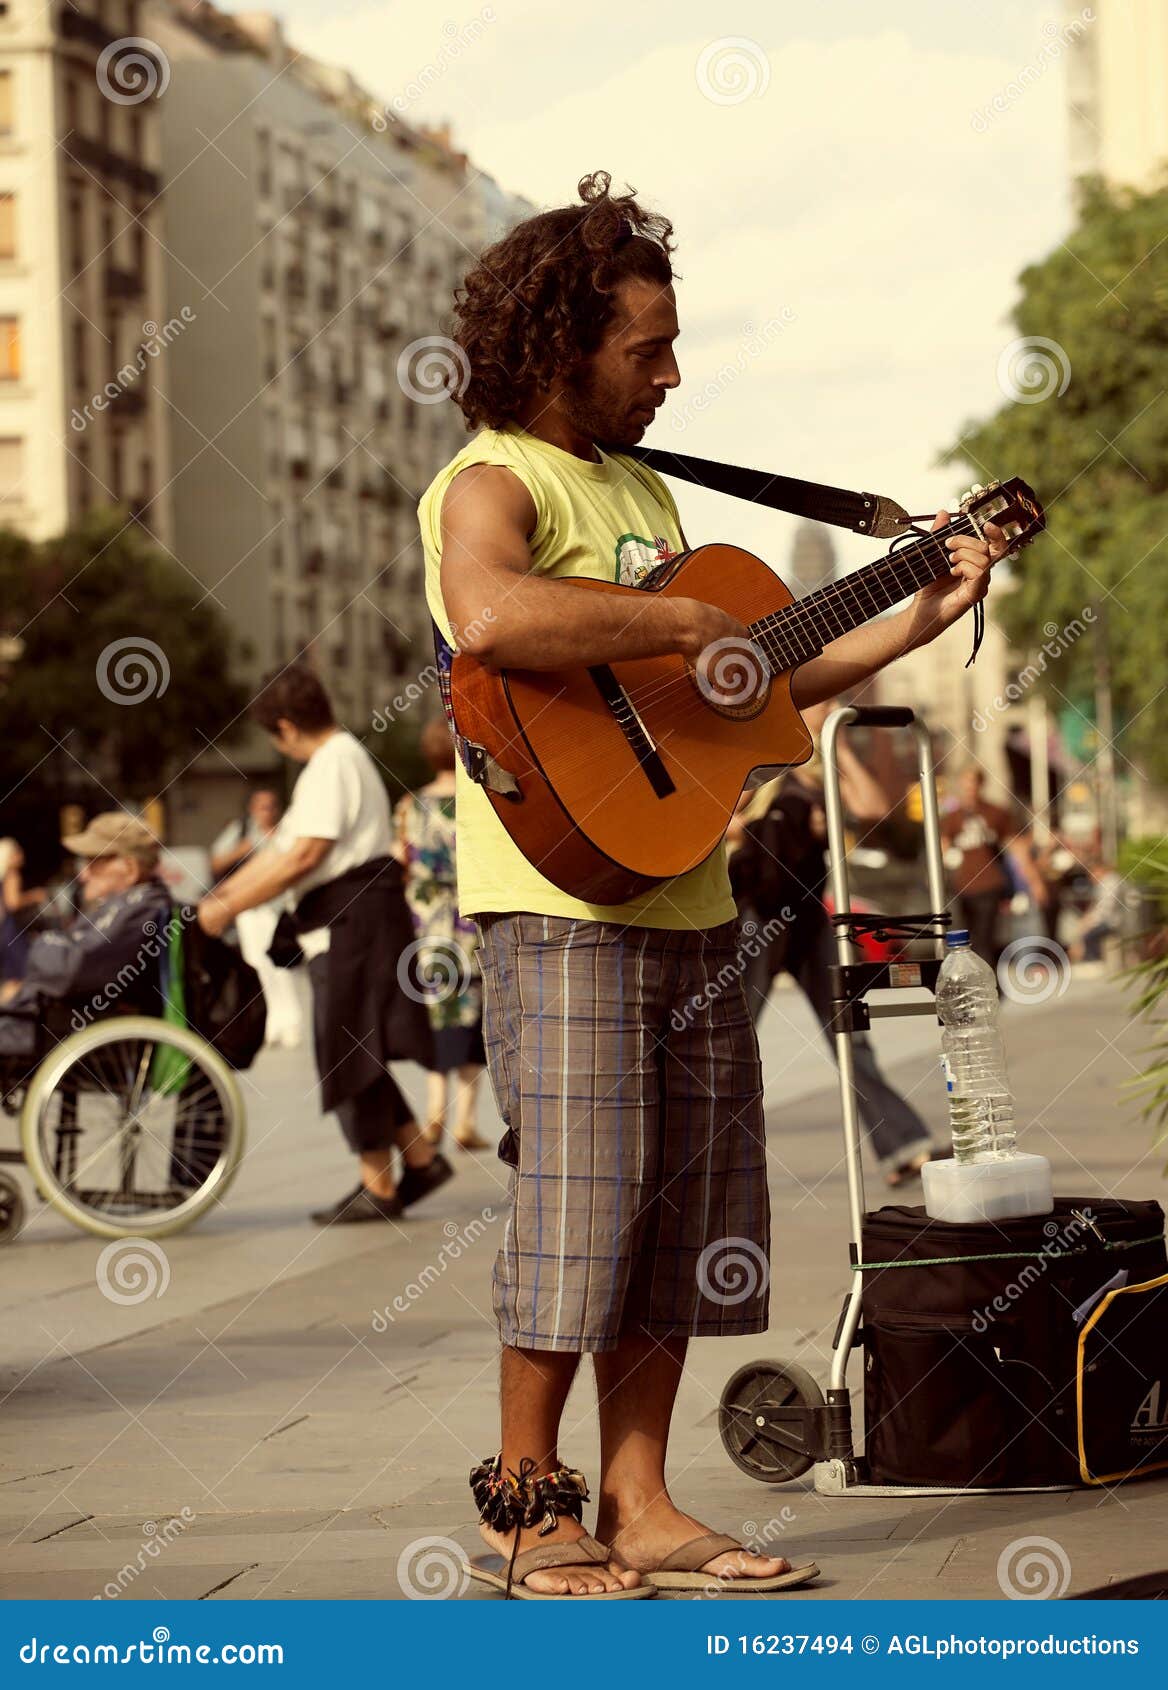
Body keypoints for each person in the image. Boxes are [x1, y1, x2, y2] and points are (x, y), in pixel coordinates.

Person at [419, 171, 1006, 1598]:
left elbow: (749, 689)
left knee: (679, 1209)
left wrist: (916, 609)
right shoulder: (497, 478)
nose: (674, 374)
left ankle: (641, 1501)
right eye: (648, 348)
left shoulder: (646, 489)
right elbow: (493, 612)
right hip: (559, 908)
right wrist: (682, 611)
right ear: (563, 347)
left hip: (687, 894)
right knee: (581, 1196)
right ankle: (525, 1506)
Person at [196, 664, 451, 1224]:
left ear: (285, 727)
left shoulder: (332, 763)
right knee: (362, 1049)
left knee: (349, 1050)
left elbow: (303, 856)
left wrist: (223, 908)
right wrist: (215, 900)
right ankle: (422, 1159)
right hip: (351, 922)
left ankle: (378, 1186)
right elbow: (279, 852)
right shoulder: (334, 762)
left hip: (351, 925)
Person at [728, 702, 939, 1189]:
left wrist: (839, 744)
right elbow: (713, 813)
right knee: (731, 1041)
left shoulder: (822, 765)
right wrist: (749, 830)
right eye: (820, 702)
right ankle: (703, 1157)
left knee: (850, 1034)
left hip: (808, 916)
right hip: (756, 914)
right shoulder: (763, 754)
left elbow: (869, 808)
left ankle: (903, 1144)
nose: (828, 708)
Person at [0, 814, 169, 1056]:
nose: (84, 875)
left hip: (61, 1028)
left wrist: (40, 946)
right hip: (54, 1020)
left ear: (129, 869)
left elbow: (73, 967)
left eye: (93, 862)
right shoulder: (131, 905)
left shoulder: (138, 908)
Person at [395, 719, 489, 1151]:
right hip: (470, 922)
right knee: (472, 1023)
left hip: (428, 928)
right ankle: (466, 1123)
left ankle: (435, 1113)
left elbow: (402, 859)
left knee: (437, 1016)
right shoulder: (478, 800)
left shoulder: (409, 806)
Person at [211, 787, 303, 1049]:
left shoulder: (287, 831)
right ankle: (271, 1023)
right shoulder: (241, 831)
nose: (267, 812)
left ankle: (291, 1022)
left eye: (271, 806)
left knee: (282, 965)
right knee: (257, 965)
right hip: (250, 908)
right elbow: (216, 861)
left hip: (279, 909)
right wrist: (242, 851)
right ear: (252, 809)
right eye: (261, 807)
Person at [940, 765, 1045, 969]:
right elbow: (942, 847)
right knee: (965, 940)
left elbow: (1017, 848)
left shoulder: (996, 813)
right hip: (963, 887)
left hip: (990, 884)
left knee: (985, 937)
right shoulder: (953, 817)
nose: (970, 788)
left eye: (974, 783)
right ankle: (971, 980)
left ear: (981, 785)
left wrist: (1034, 880)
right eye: (966, 783)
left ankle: (989, 982)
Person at [0, 838, 48, 984]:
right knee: (22, 975)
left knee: (12, 978)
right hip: (12, 928)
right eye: (17, 852)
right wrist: (35, 896)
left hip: (5, 929)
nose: (21, 855)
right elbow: (13, 903)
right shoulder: (12, 874)